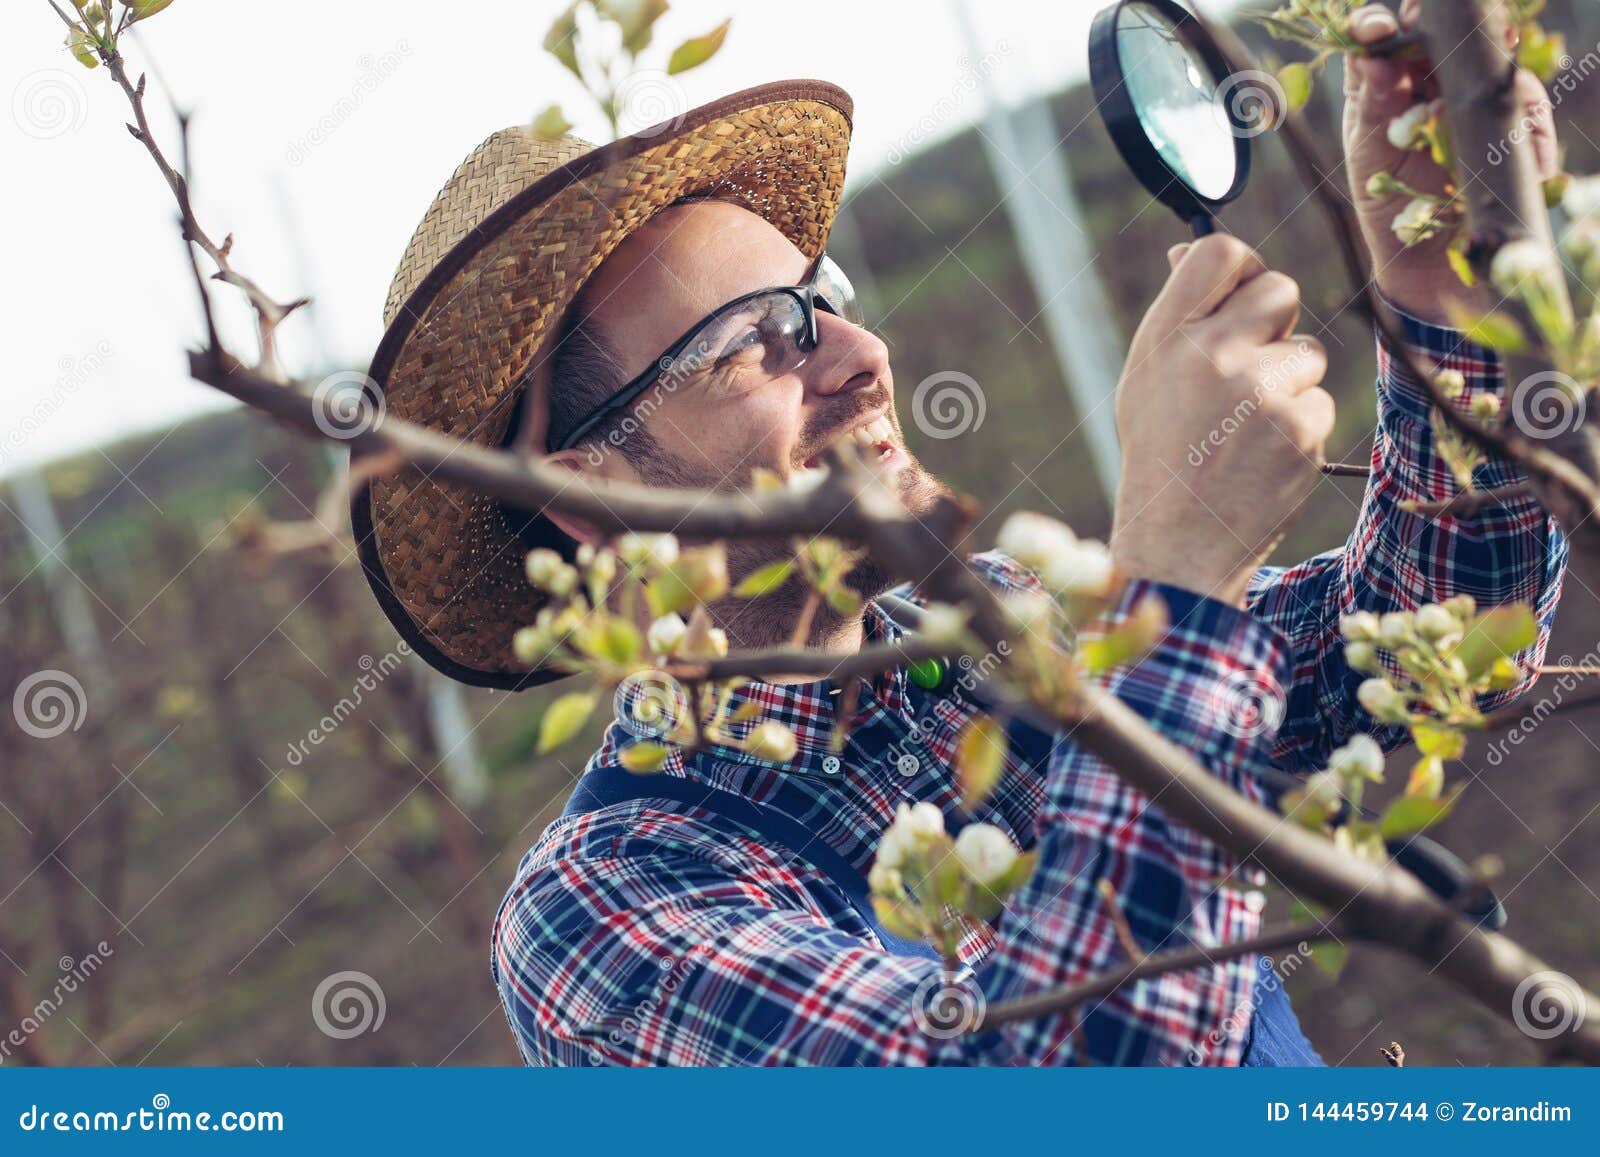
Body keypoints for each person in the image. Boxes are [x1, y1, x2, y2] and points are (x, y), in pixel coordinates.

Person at [351, 7, 1566, 1065]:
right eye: (757, 340)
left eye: (823, 302)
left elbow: (1423, 662)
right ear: (593, 494)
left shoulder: (996, 622)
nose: (865, 359)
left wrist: (1449, 311)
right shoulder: (610, 910)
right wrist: (1175, 573)